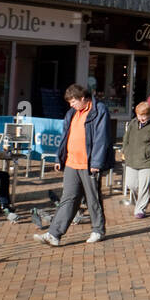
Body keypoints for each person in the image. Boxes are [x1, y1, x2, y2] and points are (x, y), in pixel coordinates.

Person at [35, 84, 111, 246]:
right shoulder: (72, 113)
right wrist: (59, 158)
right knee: (68, 198)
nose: (71, 105)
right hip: (71, 162)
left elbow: (101, 137)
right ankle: (54, 234)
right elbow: (65, 138)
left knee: (93, 199)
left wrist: (96, 162)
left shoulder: (99, 111)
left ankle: (98, 230)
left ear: (83, 98)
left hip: (89, 163)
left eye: (73, 101)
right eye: (69, 102)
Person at [123, 101, 150, 218]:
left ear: (149, 114)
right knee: (131, 184)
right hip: (131, 159)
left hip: (147, 161)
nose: (141, 118)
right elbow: (126, 139)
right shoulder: (132, 123)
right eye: (139, 115)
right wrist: (125, 151)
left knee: (144, 186)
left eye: (144, 115)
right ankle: (145, 199)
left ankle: (140, 209)